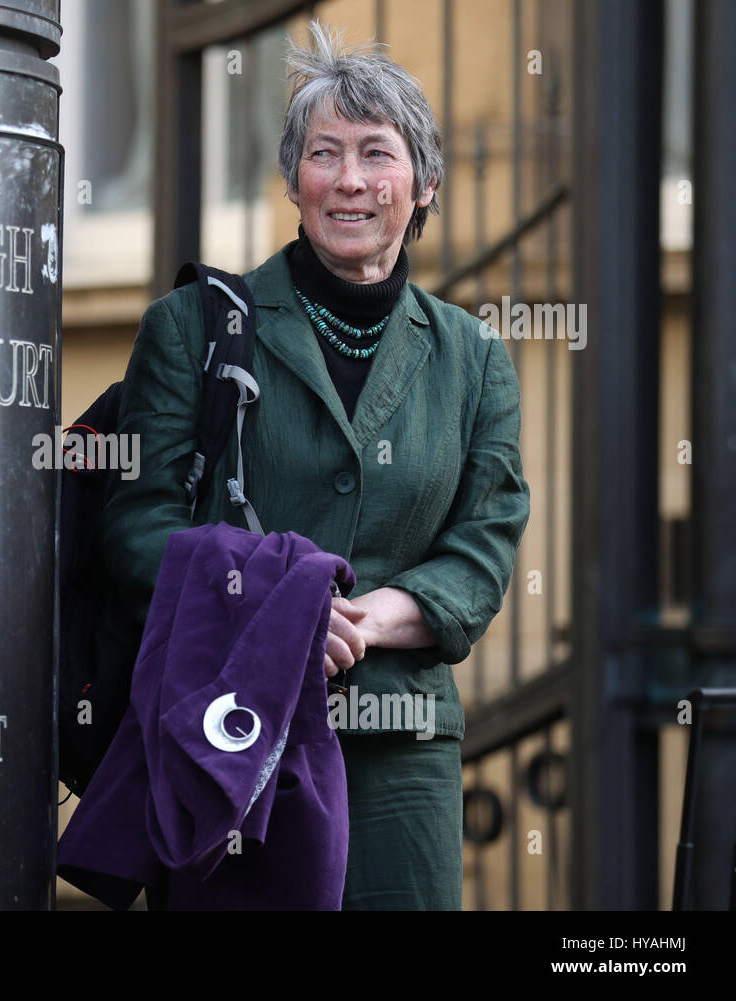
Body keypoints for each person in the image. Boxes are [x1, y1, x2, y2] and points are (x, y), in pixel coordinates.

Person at [98, 20, 531, 910]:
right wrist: (277, 611)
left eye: (378, 153)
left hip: (399, 754)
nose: (350, 180)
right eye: (324, 153)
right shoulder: (192, 328)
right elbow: (136, 526)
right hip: (230, 733)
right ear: (293, 180)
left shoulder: (475, 357)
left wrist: (356, 624)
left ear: (425, 184)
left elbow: (482, 550)